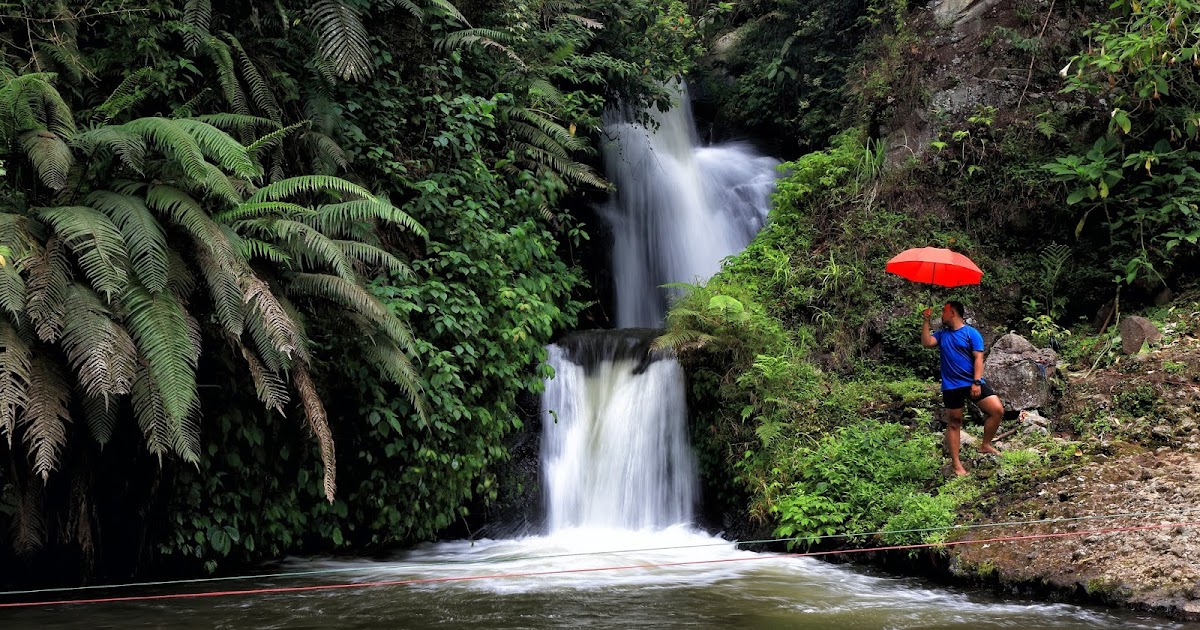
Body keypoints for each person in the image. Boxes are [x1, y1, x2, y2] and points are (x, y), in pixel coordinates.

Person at [921, 301, 1004, 476]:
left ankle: (986, 444)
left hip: (971, 382)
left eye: (943, 311)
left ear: (952, 313)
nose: (941, 315)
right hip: (951, 386)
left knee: (996, 409)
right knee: (954, 423)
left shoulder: (970, 333)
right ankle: (957, 465)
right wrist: (926, 321)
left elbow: (978, 359)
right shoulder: (942, 334)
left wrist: (976, 382)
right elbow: (927, 343)